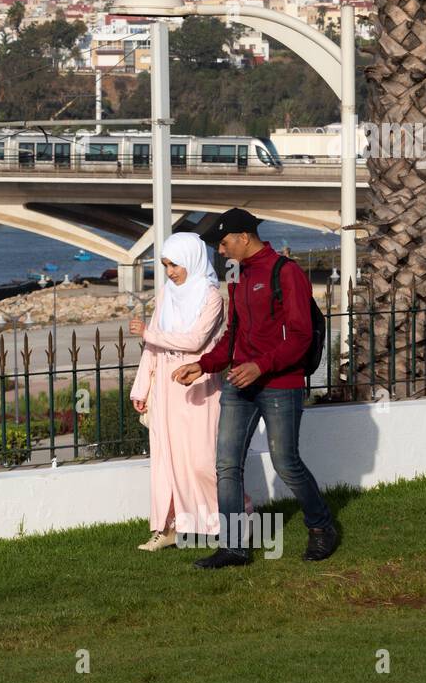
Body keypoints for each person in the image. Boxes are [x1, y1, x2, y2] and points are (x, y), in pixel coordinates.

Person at [172, 208, 339, 568]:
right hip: (239, 385)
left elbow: (300, 335)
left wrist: (260, 365)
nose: (220, 250)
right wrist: (203, 365)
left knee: (286, 463)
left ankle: (322, 526)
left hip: (280, 384)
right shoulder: (238, 277)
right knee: (227, 464)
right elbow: (233, 335)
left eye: (224, 241)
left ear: (244, 237)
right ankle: (233, 547)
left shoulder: (287, 273)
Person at [128, 232, 226, 551]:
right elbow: (152, 350)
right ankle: (168, 528)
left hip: (200, 386)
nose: (170, 272)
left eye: (175, 265)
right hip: (167, 391)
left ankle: (235, 516)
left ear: (192, 260)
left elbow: (196, 341)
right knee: (166, 462)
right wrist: (142, 388)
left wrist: (149, 332)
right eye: (166, 265)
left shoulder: (211, 297)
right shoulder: (166, 295)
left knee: (202, 461)